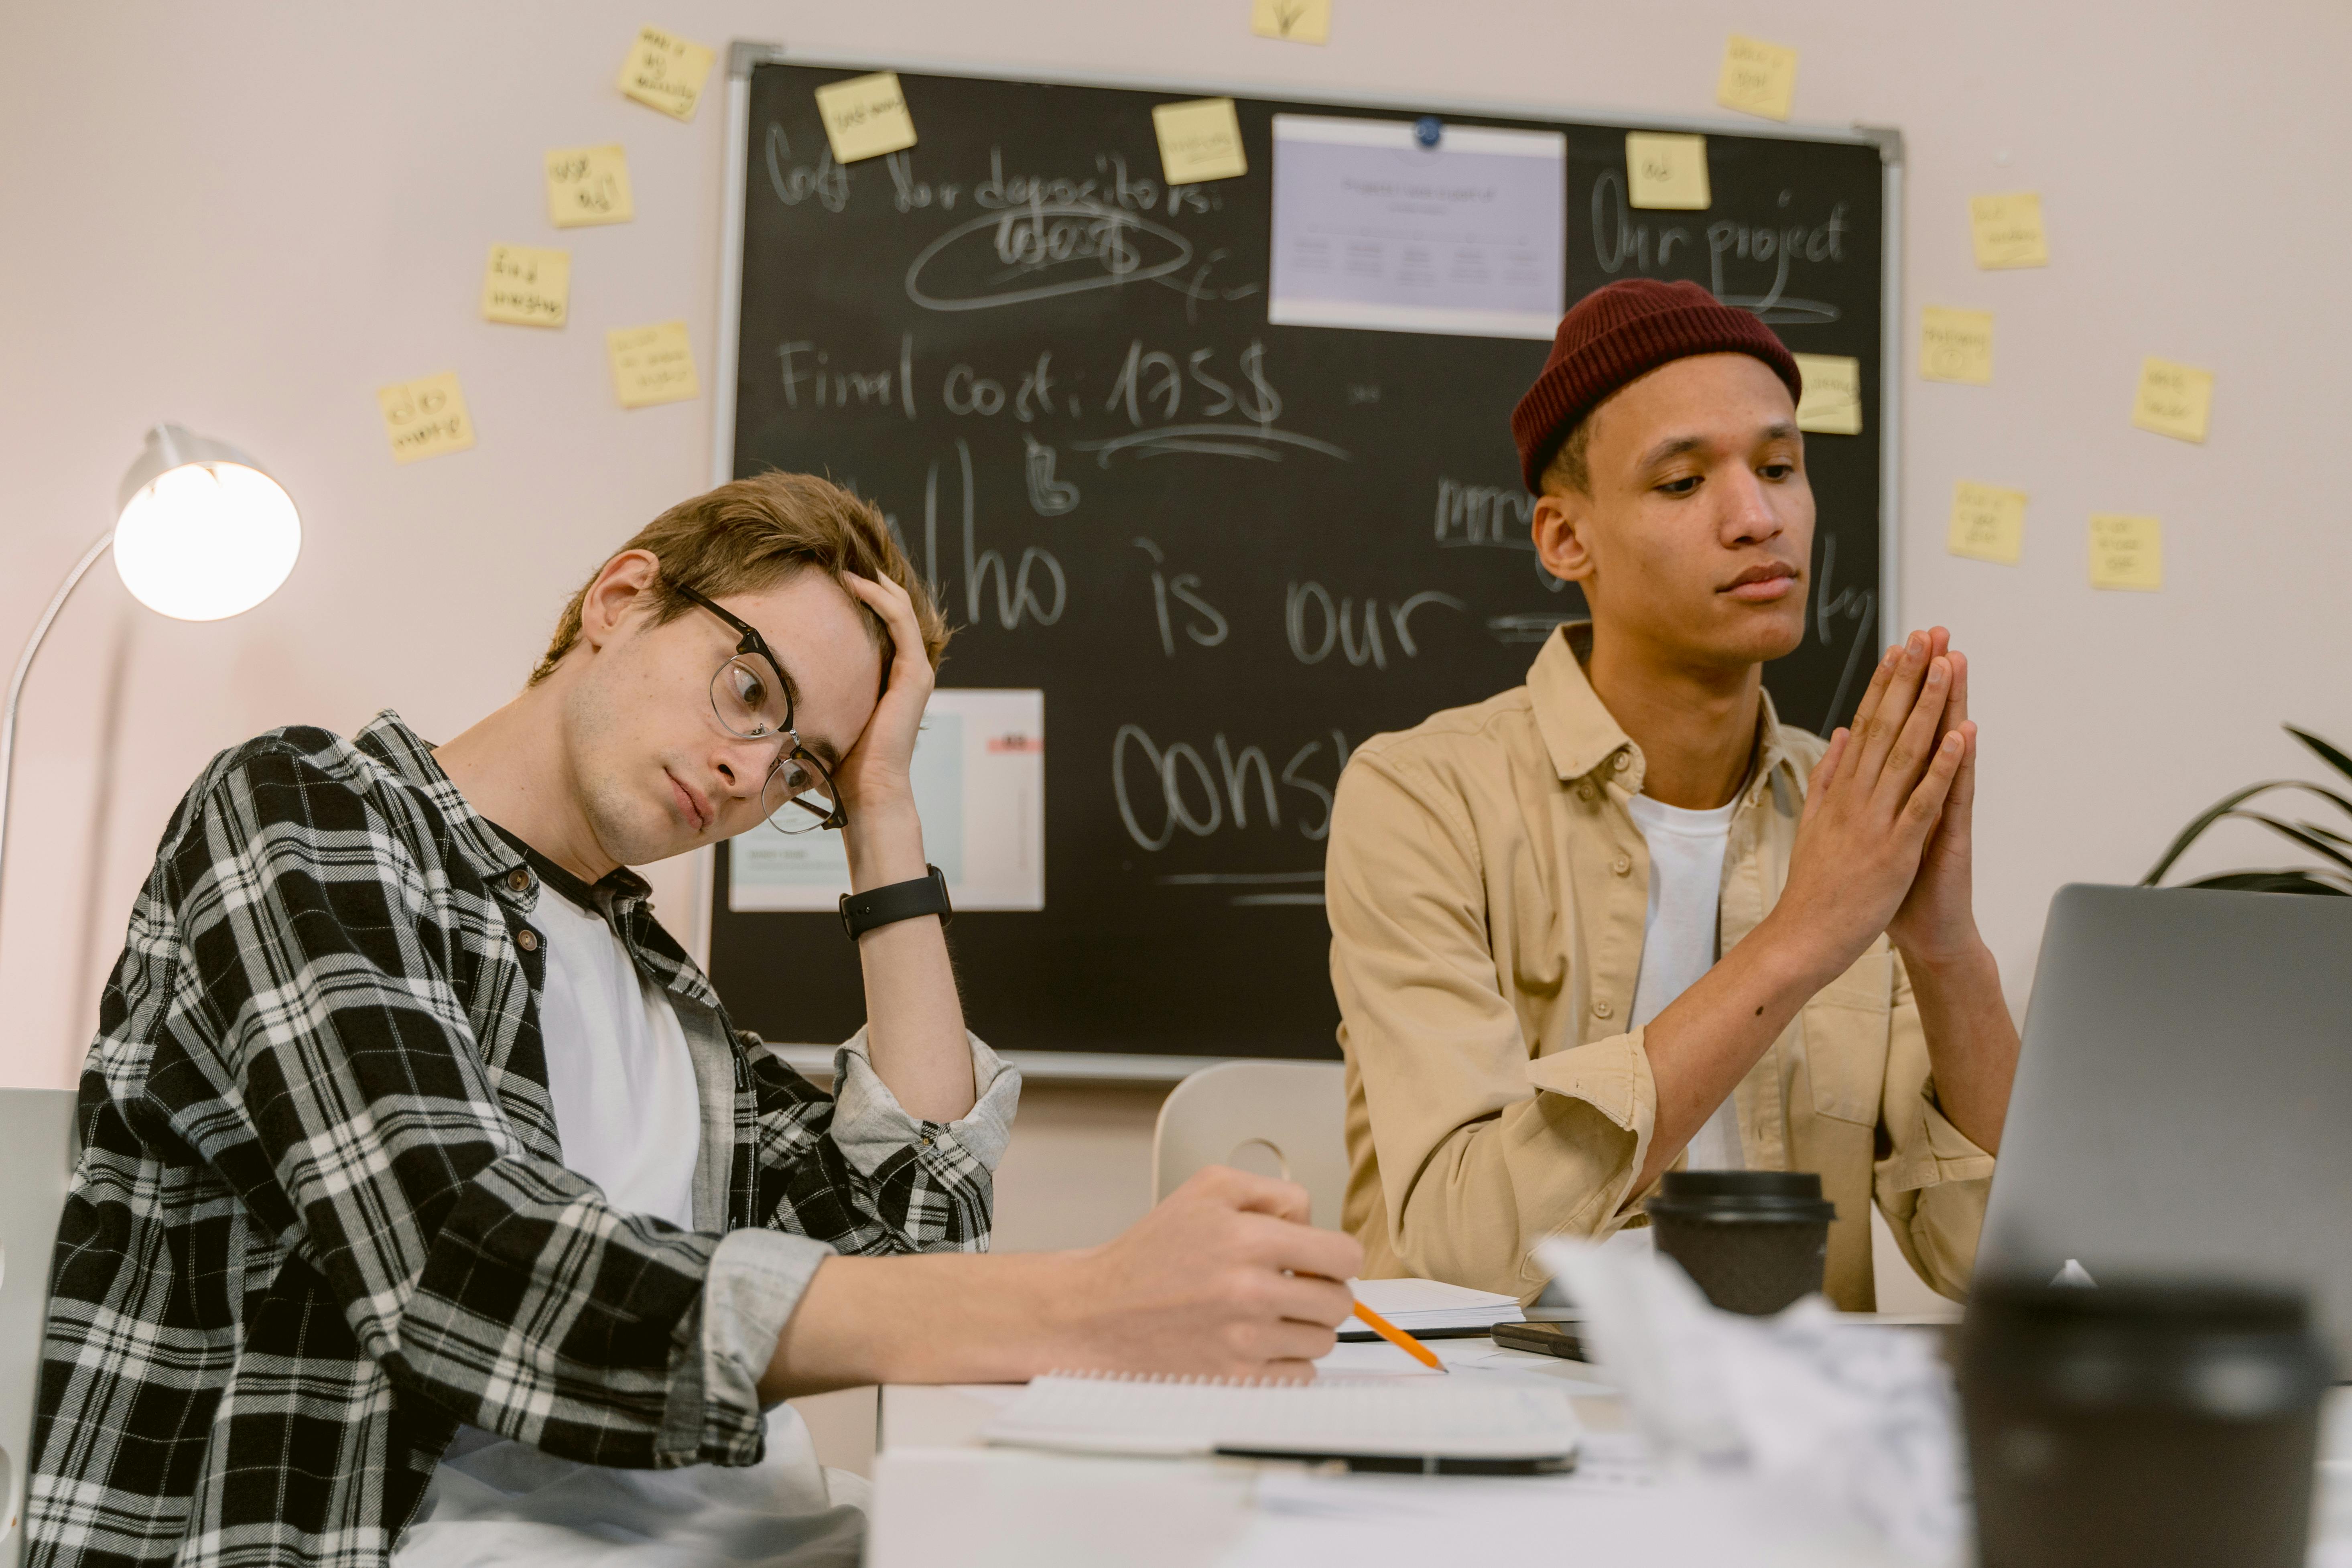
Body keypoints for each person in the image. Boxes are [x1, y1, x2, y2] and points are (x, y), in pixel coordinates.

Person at [29, 472, 1360, 1568]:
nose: (747, 775)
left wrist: (881, 807)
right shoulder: (305, 810)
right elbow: (460, 1261)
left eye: (800, 769)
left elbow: (913, 1236)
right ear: (623, 599)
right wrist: (1082, 1306)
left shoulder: (660, 979)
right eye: (748, 693)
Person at [1327, 279, 2020, 1309]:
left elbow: (1999, 1266)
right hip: (1496, 1423)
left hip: (1779, 1426)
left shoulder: (1846, 816)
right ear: (1567, 540)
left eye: (1781, 467)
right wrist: (1800, 937)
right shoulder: (1423, 795)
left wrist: (1944, 947)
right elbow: (1461, 1255)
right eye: (1683, 483)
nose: (1757, 517)